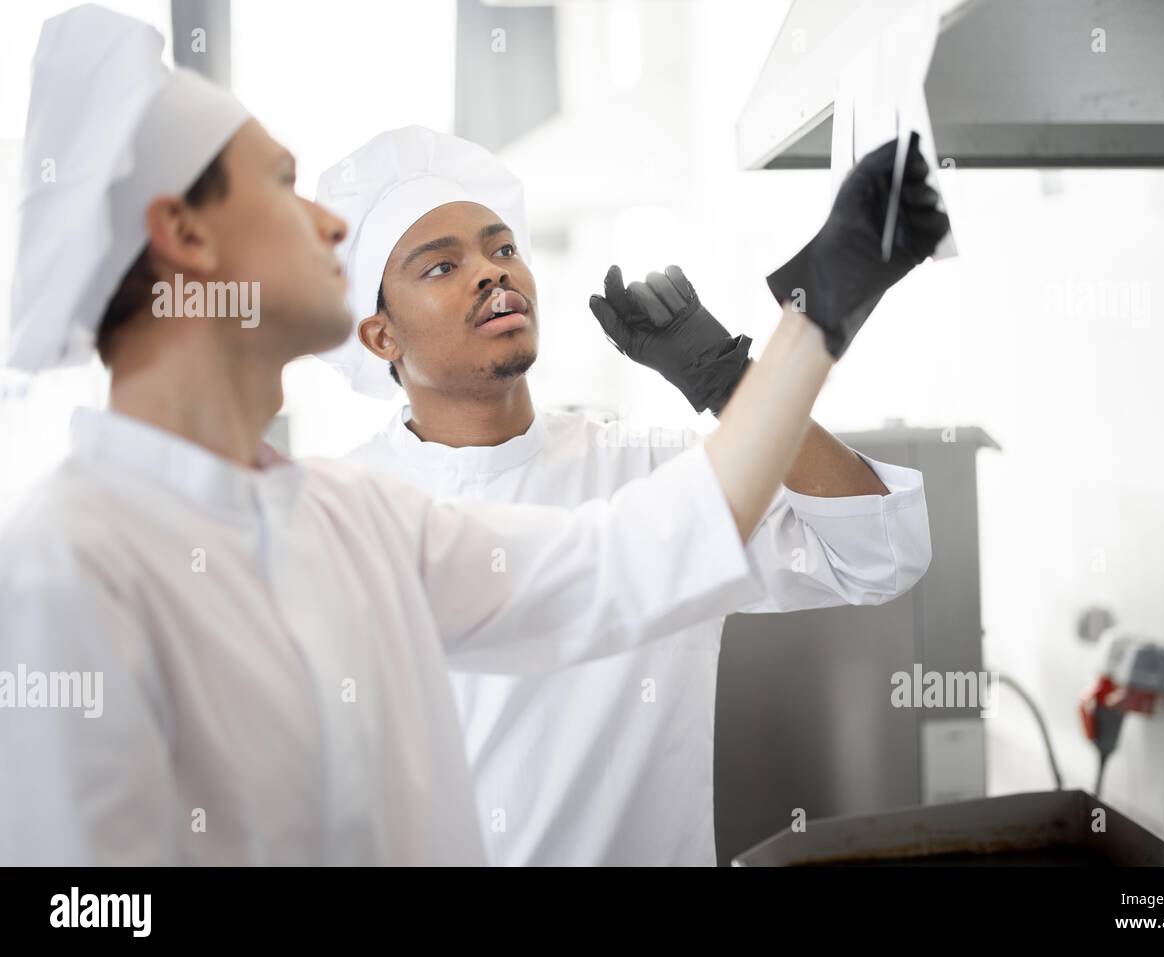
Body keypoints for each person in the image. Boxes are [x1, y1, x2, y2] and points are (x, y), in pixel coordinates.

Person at [0, 6, 948, 865]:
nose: (330, 224)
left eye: (500, 248)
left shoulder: (344, 518)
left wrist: (800, 328)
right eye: (286, 185)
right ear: (187, 239)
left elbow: (624, 562)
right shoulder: (62, 566)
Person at [319, 127, 945, 865]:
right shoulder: (346, 513)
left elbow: (878, 552)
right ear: (381, 336)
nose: (491, 273)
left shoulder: (641, 467)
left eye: (502, 248)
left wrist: (727, 381)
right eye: (442, 266)